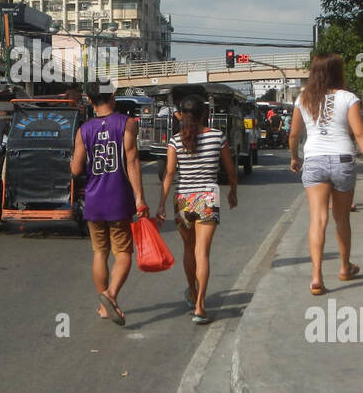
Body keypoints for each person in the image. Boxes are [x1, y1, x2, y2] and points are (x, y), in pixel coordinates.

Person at [289, 53, 363, 294]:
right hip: (342, 160)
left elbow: (294, 134)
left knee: (317, 219)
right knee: (342, 219)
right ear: (337, 72)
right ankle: (344, 267)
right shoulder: (348, 97)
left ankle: (316, 277)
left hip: (314, 160)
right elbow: (359, 133)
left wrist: (294, 157)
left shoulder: (303, 99)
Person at [70, 83, 147, 326]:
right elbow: (132, 160)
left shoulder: (84, 130)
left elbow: (76, 169)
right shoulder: (127, 123)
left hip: (94, 200)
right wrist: (139, 198)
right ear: (112, 97)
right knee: (123, 253)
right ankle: (110, 295)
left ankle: (104, 307)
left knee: (100, 253)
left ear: (90, 101)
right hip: (119, 199)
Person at [157, 94, 237, 325]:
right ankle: (200, 306)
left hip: (183, 200)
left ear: (181, 115)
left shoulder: (175, 141)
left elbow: (169, 174)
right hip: (207, 199)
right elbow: (230, 168)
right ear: (205, 114)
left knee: (189, 249)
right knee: (202, 252)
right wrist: (233, 191)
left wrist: (161, 204)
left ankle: (192, 292)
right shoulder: (217, 136)